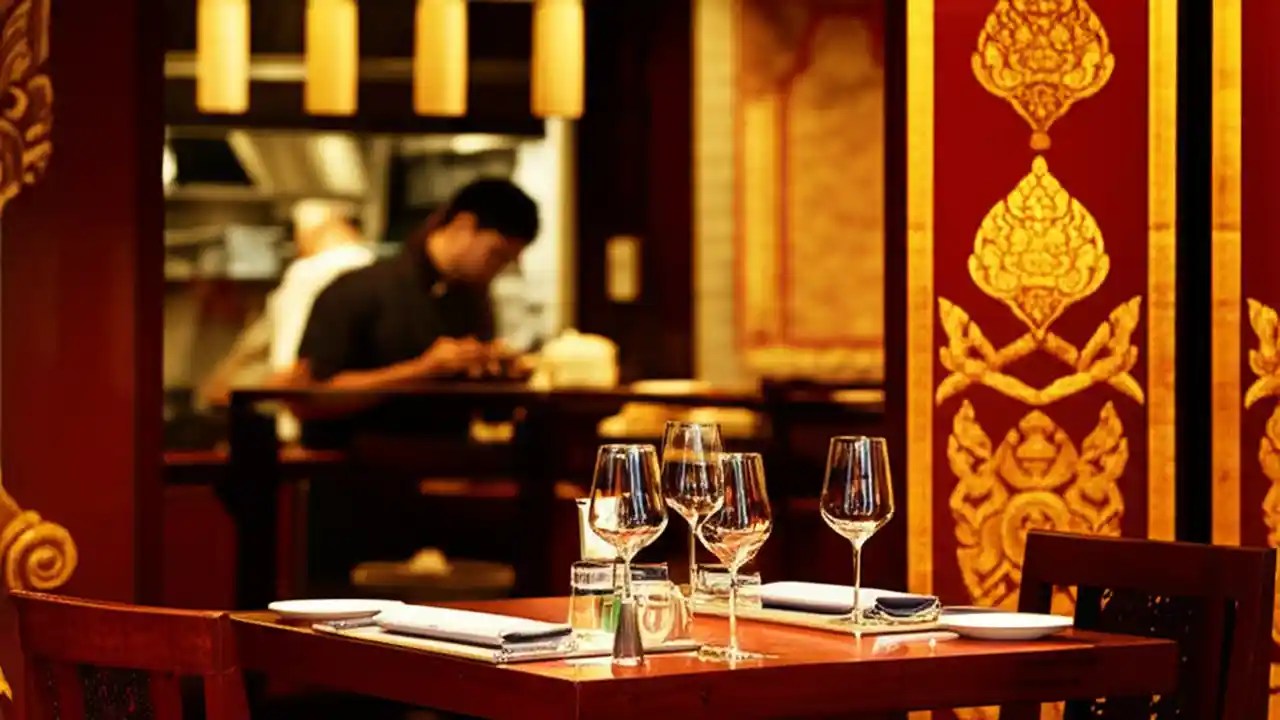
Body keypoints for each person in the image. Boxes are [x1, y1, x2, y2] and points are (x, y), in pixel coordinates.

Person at [292, 177, 539, 445]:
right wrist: (422, 370)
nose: (499, 268)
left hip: (444, 470)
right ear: (463, 226)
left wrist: (502, 377)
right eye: (496, 254)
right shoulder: (358, 289)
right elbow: (310, 398)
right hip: (353, 472)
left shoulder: (473, 300)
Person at [196, 200, 375, 443]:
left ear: (312, 231)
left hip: (308, 421)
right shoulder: (376, 269)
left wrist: (247, 394)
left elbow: (292, 363)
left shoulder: (312, 272)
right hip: (365, 426)